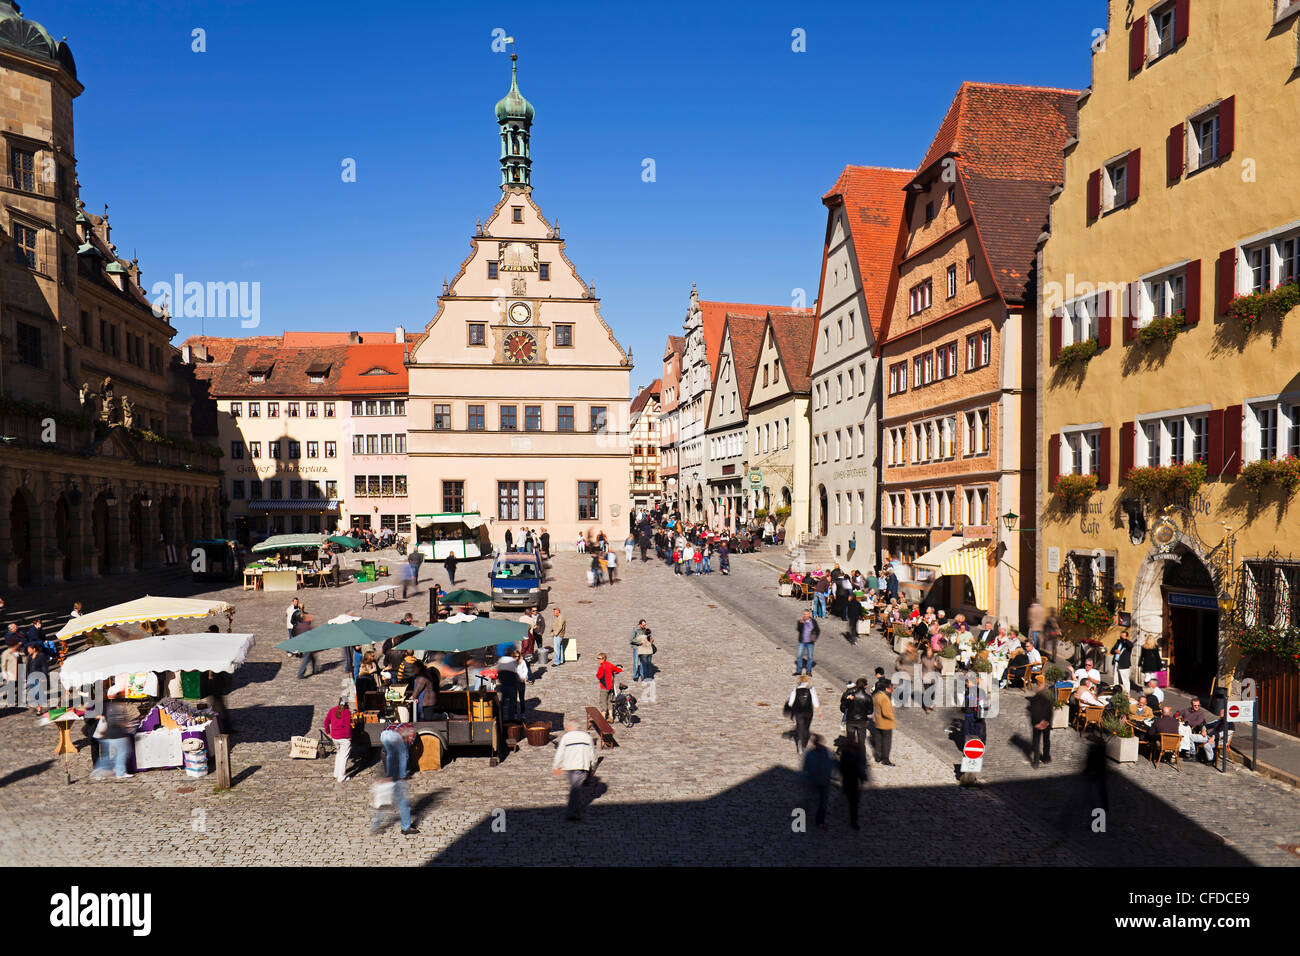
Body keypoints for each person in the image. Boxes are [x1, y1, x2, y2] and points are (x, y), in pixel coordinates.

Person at [552, 720, 596, 821]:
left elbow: (560, 753)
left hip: (569, 766)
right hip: (581, 765)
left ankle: (572, 812)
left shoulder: (566, 737)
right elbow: (592, 753)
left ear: (570, 728)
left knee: (574, 788)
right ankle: (573, 812)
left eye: (567, 728)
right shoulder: (587, 737)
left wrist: (556, 766)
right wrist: (593, 765)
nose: (566, 730)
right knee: (575, 788)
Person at [91, 699, 136, 779]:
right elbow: (115, 721)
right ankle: (120, 772)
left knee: (111, 755)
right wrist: (126, 725)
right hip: (116, 734)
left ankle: (99, 771)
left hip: (108, 735)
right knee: (123, 752)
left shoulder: (109, 706)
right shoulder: (114, 707)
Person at [801, 734, 833, 830]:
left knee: (822, 802)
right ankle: (808, 814)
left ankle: (820, 821)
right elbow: (806, 767)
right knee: (813, 800)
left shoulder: (822, 752)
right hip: (815, 780)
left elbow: (830, 764)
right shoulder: (817, 753)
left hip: (823, 781)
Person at [838, 737, 868, 830]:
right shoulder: (857, 751)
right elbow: (861, 764)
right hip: (854, 780)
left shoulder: (845, 753)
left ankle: (853, 820)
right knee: (854, 802)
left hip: (848, 780)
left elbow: (842, 768)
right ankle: (853, 821)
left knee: (853, 801)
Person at [785, 674, 820, 754]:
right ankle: (804, 745)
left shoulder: (795, 690)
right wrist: (819, 711)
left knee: (800, 727)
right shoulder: (811, 690)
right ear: (807, 681)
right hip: (808, 712)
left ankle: (800, 742)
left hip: (798, 712)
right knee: (806, 728)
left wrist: (791, 710)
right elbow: (815, 702)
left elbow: (790, 703)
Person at [324, 696, 353, 783]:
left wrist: (328, 732)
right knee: (344, 757)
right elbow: (348, 726)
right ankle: (341, 777)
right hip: (343, 738)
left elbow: (326, 722)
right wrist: (349, 736)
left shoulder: (332, 710)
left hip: (335, 737)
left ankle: (336, 773)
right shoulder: (347, 712)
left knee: (339, 754)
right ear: (347, 703)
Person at [840, 677, 873, 748]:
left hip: (850, 721)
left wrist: (848, 701)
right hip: (862, 721)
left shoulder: (851, 696)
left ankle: (851, 757)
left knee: (850, 742)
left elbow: (842, 708)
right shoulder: (868, 697)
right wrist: (864, 712)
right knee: (861, 742)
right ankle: (861, 756)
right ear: (865, 686)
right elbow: (870, 711)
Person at [1178, 697, 1214, 762]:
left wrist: (1188, 722)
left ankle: (1192, 754)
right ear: (1191, 705)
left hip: (1195, 729)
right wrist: (1179, 717)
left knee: (1188, 735)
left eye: (1198, 705)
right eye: (1195, 705)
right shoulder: (1187, 710)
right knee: (1179, 730)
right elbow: (1179, 713)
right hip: (1186, 727)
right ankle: (1181, 748)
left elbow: (1198, 722)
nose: (1197, 707)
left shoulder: (1200, 712)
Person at [871, 679, 896, 766]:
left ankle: (878, 756)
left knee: (878, 740)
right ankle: (885, 759)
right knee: (886, 742)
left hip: (877, 721)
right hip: (885, 723)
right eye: (892, 687)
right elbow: (886, 712)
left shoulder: (877, 695)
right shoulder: (885, 698)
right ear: (887, 688)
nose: (893, 688)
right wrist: (892, 718)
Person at [1029, 684, 1054, 768]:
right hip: (1045, 723)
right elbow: (1050, 712)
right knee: (1046, 741)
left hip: (1037, 723)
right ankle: (1046, 757)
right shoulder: (1048, 699)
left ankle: (1036, 762)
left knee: (1036, 742)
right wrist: (1047, 722)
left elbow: (1033, 712)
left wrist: (1037, 723)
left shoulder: (1034, 699)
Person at [595, 653, 622, 720]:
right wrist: (621, 670)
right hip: (610, 687)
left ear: (604, 659)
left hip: (604, 687)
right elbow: (616, 669)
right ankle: (611, 716)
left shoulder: (601, 667)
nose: (598, 660)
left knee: (603, 702)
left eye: (600, 658)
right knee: (609, 701)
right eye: (598, 658)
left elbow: (599, 676)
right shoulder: (609, 664)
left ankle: (603, 717)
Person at [794, 610, 819, 676]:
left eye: (807, 614)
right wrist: (801, 623)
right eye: (804, 614)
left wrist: (815, 637)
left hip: (810, 642)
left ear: (809, 615)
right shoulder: (800, 621)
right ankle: (799, 671)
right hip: (802, 641)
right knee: (799, 656)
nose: (805, 615)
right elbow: (798, 629)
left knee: (810, 657)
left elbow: (817, 630)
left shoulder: (813, 621)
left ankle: (808, 671)